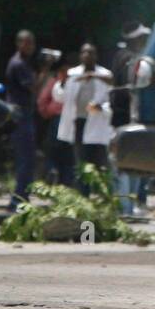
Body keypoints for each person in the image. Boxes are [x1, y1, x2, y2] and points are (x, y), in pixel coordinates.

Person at [109, 22, 155, 216]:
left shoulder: (125, 57)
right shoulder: (128, 59)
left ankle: (130, 206)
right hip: (125, 118)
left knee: (132, 165)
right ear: (135, 39)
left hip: (128, 118)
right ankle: (125, 209)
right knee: (124, 166)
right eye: (142, 38)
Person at [54, 44, 112, 195]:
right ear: (80, 56)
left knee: (99, 165)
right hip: (78, 123)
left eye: (91, 53)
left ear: (96, 56)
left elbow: (112, 101)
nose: (87, 55)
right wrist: (62, 82)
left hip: (97, 126)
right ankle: (83, 198)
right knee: (81, 163)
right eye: (84, 52)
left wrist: (101, 108)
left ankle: (101, 198)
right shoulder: (72, 74)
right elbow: (59, 97)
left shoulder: (105, 75)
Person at [5, 30, 41, 210]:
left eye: (32, 43)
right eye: (27, 43)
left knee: (26, 160)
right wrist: (47, 69)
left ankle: (21, 198)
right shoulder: (19, 64)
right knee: (25, 160)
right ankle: (18, 201)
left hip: (22, 115)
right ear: (19, 44)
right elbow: (35, 88)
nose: (30, 47)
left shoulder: (23, 63)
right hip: (21, 115)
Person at [38, 61, 73, 185]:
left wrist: (48, 112)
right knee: (68, 158)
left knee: (54, 154)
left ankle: (52, 171)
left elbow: (42, 102)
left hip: (56, 120)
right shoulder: (76, 83)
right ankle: (64, 184)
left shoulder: (54, 82)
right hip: (69, 122)